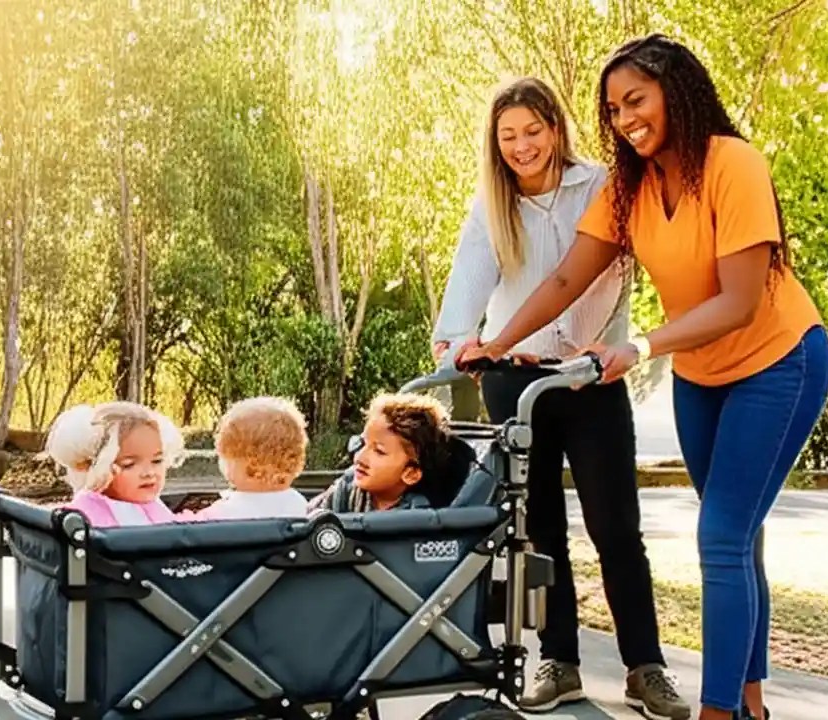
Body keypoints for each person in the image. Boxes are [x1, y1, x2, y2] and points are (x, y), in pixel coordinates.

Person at [460, 36, 828, 720]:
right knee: (739, 537)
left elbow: (740, 301)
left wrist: (640, 346)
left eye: (637, 99)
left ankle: (719, 710)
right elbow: (568, 278)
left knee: (720, 537)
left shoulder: (733, 163)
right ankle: (750, 702)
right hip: (701, 373)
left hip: (779, 360)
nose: (625, 118)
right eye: (614, 108)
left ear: (676, 91)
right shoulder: (631, 186)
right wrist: (496, 344)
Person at [433, 76, 686, 718]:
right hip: (517, 381)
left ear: (555, 127)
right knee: (540, 528)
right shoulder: (493, 206)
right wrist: (461, 346)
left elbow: (607, 272)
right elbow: (466, 289)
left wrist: (618, 343)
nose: (521, 146)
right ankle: (559, 660)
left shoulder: (603, 186)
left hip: (590, 378)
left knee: (615, 528)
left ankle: (646, 667)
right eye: (508, 136)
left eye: (532, 131)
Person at [307, 393, 468, 513]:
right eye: (363, 443)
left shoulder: (415, 513)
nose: (359, 458)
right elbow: (309, 519)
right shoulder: (348, 489)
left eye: (379, 451)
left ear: (410, 474)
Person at [47, 401, 186, 527]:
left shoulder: (153, 507)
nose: (149, 473)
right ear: (97, 467)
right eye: (129, 464)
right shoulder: (84, 516)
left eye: (157, 461)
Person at [177, 396, 311, 521]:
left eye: (226, 458)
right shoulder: (300, 505)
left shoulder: (222, 512)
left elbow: (184, 530)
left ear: (252, 466)